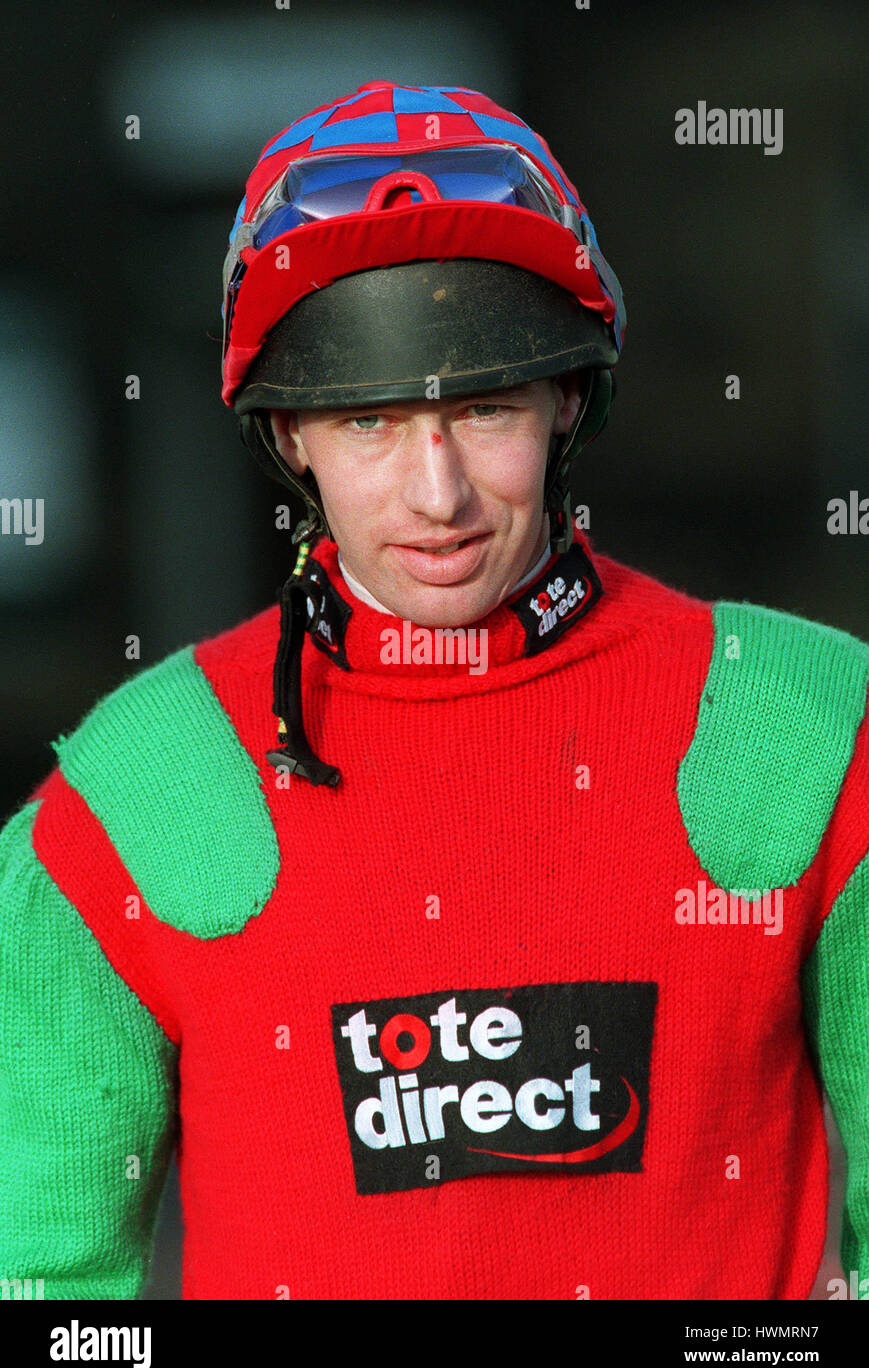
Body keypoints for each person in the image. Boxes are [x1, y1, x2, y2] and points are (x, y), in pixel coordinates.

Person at [0, 80, 866, 1302]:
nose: (436, 493)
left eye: (485, 408)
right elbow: (37, 1283)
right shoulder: (138, 788)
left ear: (568, 400)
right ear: (288, 434)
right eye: (366, 423)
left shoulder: (807, 725)